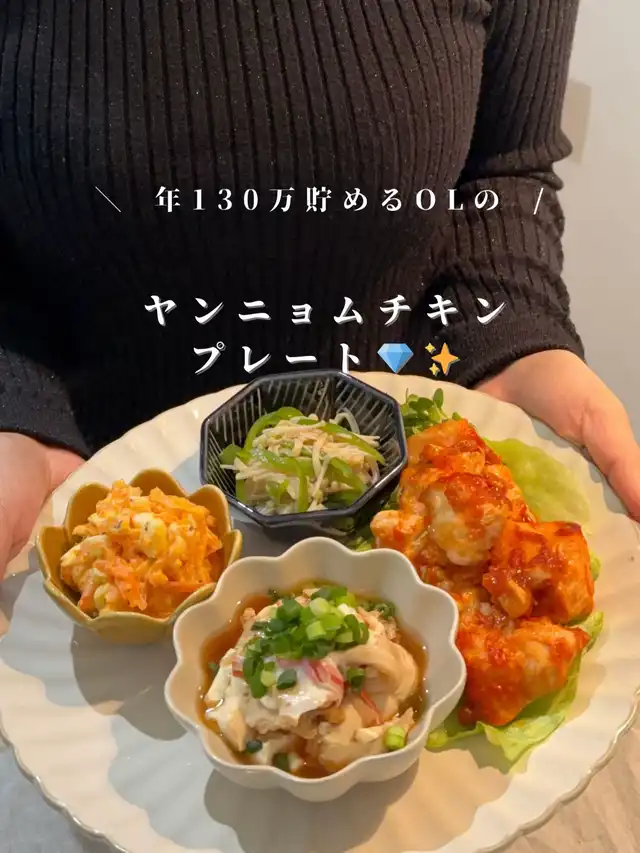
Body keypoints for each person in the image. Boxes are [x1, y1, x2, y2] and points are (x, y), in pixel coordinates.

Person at [1, 0, 638, 576]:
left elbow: (502, 169)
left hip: (409, 488)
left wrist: (511, 337)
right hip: (83, 502)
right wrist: (16, 410)